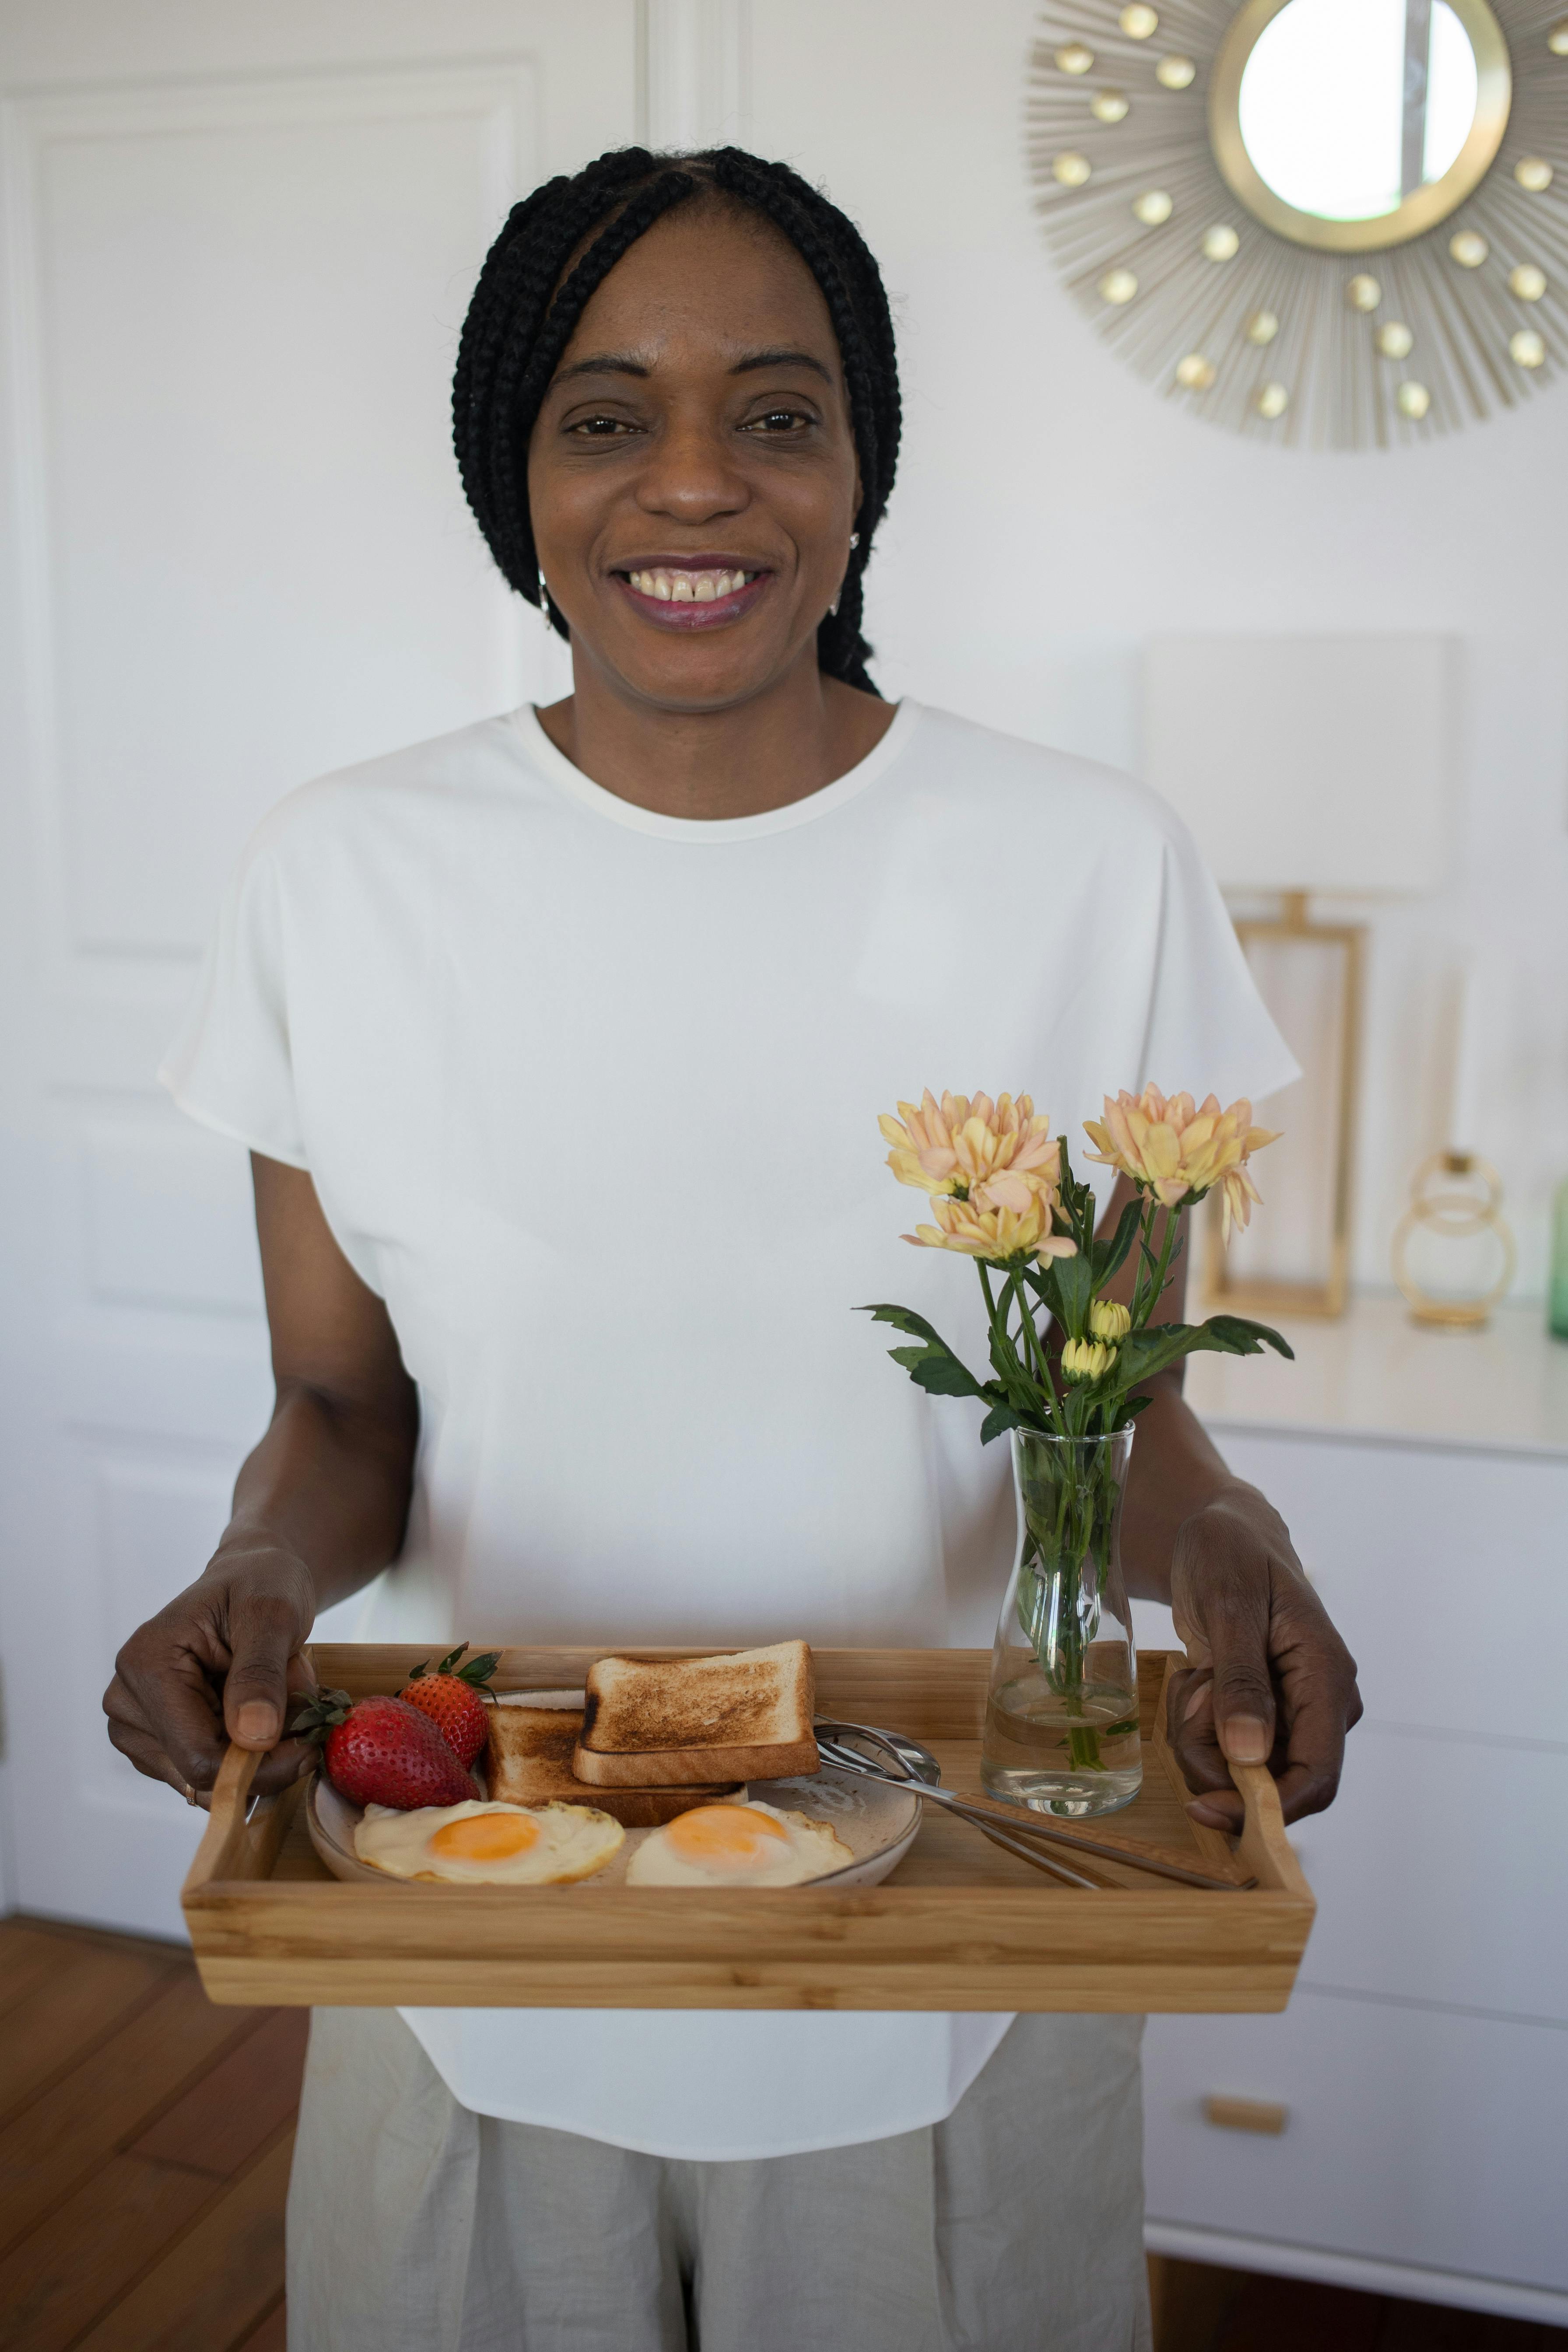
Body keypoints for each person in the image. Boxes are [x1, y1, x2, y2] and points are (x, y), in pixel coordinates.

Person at [103, 146, 1361, 2352]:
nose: (694, 482)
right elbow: (336, 1404)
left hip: (952, 1948)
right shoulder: (338, 876)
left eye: (777, 413)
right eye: (605, 416)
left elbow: (1115, 1412)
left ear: (862, 473)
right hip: (472, 1936)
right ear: (515, 482)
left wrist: (1233, 1536)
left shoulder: (1087, 868)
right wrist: (257, 1573)